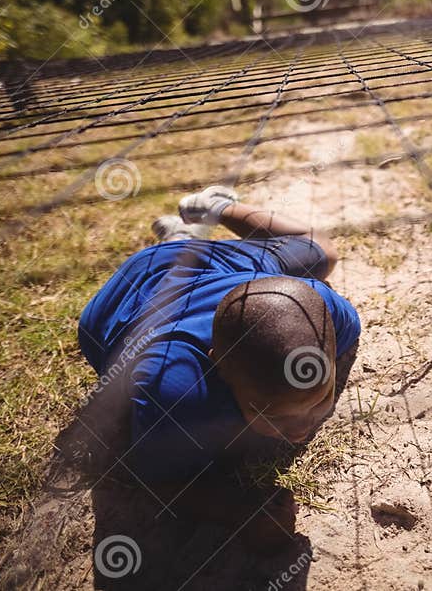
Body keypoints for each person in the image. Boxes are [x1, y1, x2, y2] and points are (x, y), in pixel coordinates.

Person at [76, 185, 360, 534]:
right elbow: (159, 478)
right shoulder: (172, 386)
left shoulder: (327, 312)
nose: (301, 429)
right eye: (274, 415)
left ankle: (204, 219)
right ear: (218, 367)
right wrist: (240, 514)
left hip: (225, 269)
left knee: (324, 254)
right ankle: (191, 228)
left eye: (318, 402)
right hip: (134, 287)